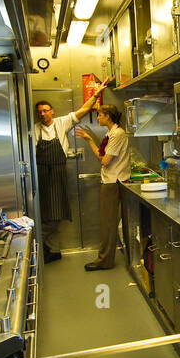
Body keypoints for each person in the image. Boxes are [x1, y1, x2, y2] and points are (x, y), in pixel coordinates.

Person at [35, 81, 110, 262]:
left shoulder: (62, 122)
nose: (43, 114)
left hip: (59, 173)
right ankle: (47, 249)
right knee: (43, 213)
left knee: (55, 213)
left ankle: (47, 246)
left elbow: (83, 111)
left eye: (46, 110)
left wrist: (96, 95)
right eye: (40, 112)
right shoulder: (34, 129)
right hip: (41, 174)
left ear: (52, 111)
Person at [75, 103, 131, 271]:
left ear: (108, 116)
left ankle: (105, 260)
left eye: (99, 115)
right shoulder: (111, 133)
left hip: (113, 182)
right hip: (112, 181)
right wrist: (89, 139)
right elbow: (103, 155)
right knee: (109, 222)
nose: (97, 118)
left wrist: (89, 140)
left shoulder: (117, 134)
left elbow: (105, 161)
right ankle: (111, 258)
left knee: (108, 223)